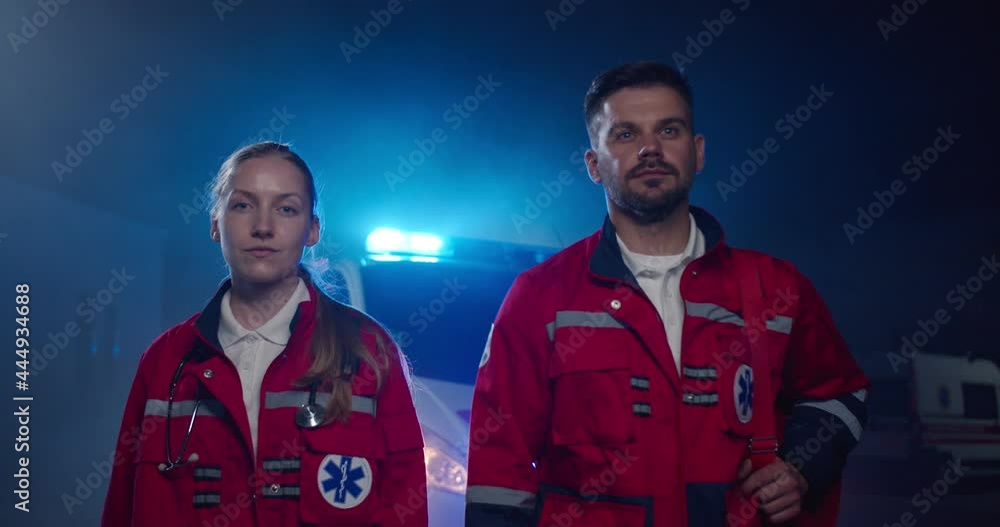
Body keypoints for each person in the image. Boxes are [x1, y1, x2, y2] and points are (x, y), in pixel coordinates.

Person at [464, 62, 871, 527]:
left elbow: (842, 394)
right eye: (625, 134)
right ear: (594, 165)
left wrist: (800, 468)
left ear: (697, 152)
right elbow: (499, 467)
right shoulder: (541, 297)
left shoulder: (776, 289)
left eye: (669, 130)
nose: (650, 149)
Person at [102, 142, 428, 527]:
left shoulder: (369, 352)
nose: (263, 227)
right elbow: (122, 508)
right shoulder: (166, 360)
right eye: (243, 205)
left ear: (312, 230)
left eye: (286, 209)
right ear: (214, 223)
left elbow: (405, 507)